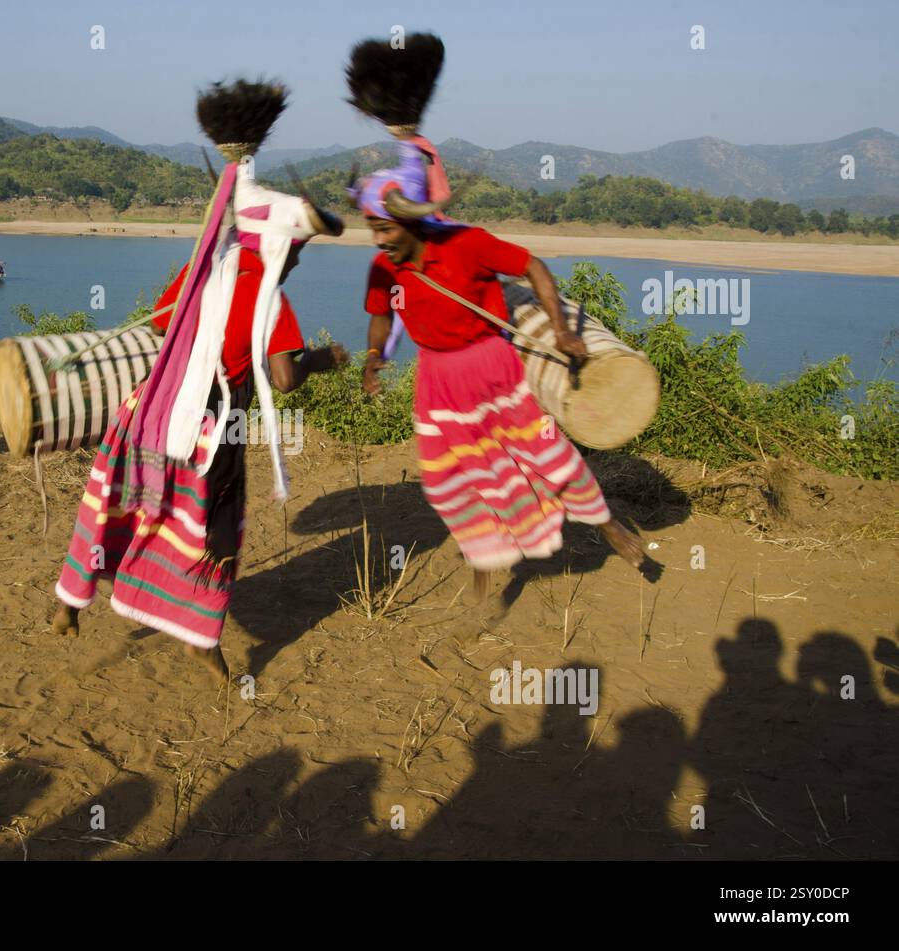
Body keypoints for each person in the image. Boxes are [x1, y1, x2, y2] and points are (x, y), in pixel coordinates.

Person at [51, 80, 348, 682]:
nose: (296, 261)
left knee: (117, 499)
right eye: (296, 249)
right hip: (213, 427)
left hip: (153, 408)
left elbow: (164, 326)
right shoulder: (270, 295)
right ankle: (200, 635)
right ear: (276, 242)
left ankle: (68, 601)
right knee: (216, 530)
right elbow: (285, 380)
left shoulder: (202, 269)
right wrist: (322, 359)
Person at [346, 34, 644, 600]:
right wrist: (372, 357)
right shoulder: (384, 268)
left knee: (539, 451)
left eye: (385, 229)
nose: (379, 241)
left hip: (491, 366)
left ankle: (605, 522)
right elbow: (382, 316)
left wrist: (560, 328)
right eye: (373, 230)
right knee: (447, 473)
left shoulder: (467, 243)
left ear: (412, 221)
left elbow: (532, 265)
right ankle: (488, 554)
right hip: (437, 380)